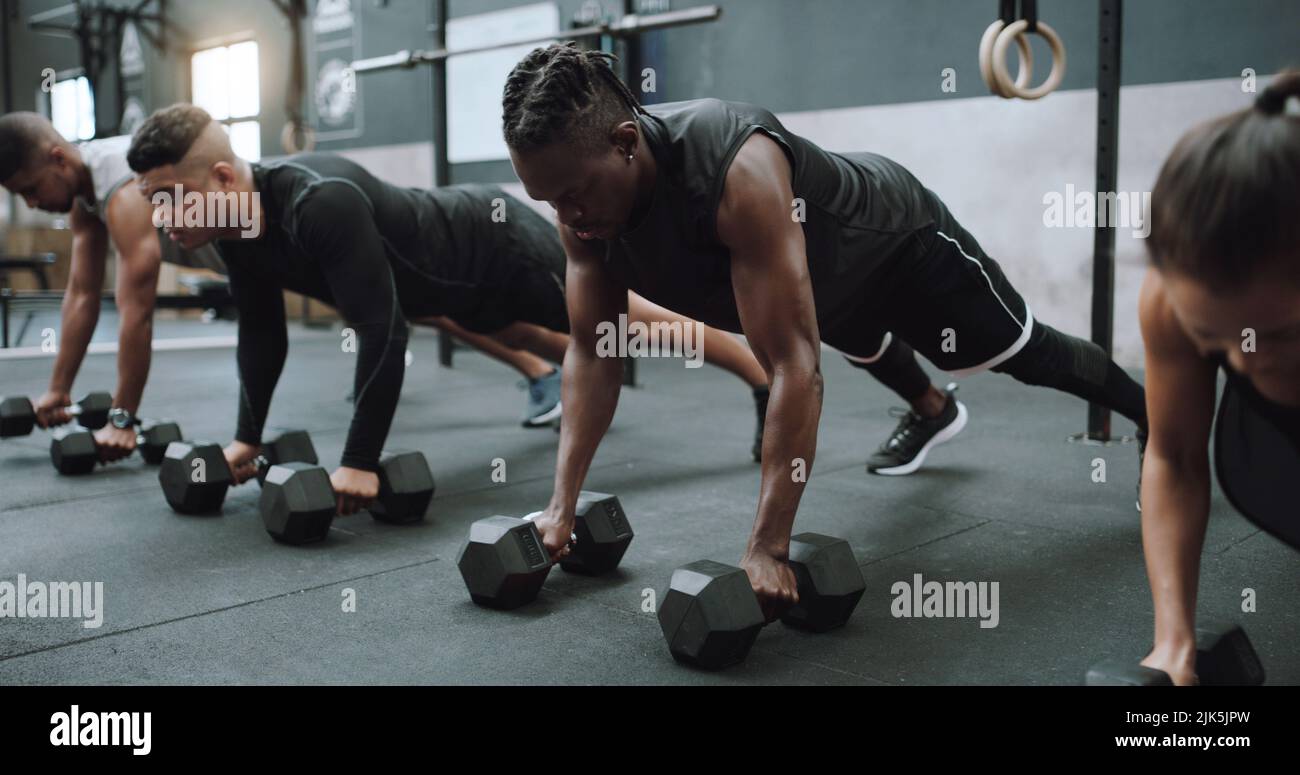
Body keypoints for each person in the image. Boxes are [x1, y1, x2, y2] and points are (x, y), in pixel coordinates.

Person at [504, 44, 1148, 617]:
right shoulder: (581, 212)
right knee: (852, 330)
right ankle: (931, 410)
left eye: (574, 194)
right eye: (548, 201)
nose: (567, 216)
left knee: (1022, 353)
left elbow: (793, 368)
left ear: (624, 141)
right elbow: (594, 351)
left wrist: (766, 547)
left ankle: (1153, 414)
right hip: (822, 282)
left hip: (902, 245)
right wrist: (560, 507)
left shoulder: (735, 171)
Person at [124, 103, 769, 513]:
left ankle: (758, 374)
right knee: (551, 336)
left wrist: (356, 463)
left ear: (222, 181)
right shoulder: (236, 231)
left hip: (493, 248)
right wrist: (246, 436)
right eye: (151, 202)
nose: (161, 218)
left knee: (620, 329)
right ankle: (554, 380)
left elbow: (383, 330)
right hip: (456, 293)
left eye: (168, 196)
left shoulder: (319, 203)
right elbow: (262, 334)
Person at [1137, 71, 1299, 685]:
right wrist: (1173, 641)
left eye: (1278, 333)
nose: (1245, 363)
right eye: (1215, 340)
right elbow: (1174, 457)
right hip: (1270, 465)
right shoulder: (1169, 301)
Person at [0, 112, 223, 459]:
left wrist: (122, 418)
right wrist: (59, 390)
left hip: (270, 239)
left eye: (31, 189)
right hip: (240, 264)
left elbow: (137, 310)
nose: (31, 203)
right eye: (21, 197)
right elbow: (81, 295)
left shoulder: (124, 190)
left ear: (58, 159)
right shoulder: (86, 195)